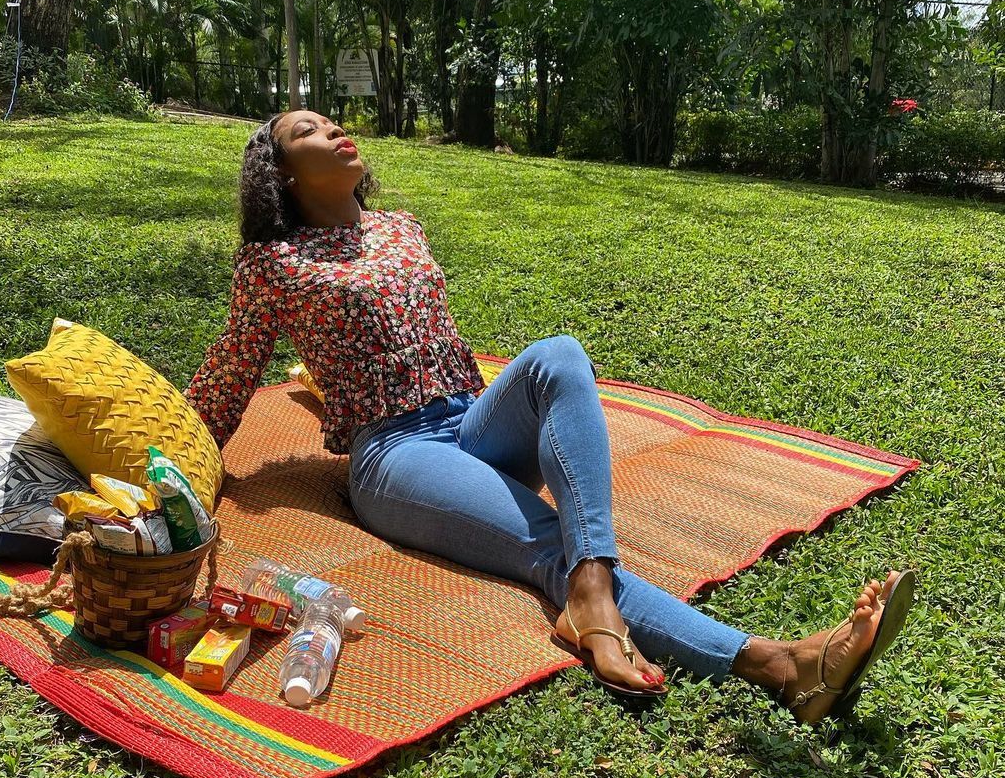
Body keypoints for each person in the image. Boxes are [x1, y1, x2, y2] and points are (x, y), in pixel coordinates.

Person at [184, 110, 916, 724]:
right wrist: (171, 468)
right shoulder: (273, 263)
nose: (334, 130)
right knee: (545, 543)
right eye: (308, 132)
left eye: (331, 121)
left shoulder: (400, 229)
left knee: (559, 353)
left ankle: (591, 584)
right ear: (282, 174)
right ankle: (778, 665)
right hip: (398, 453)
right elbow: (230, 371)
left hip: (471, 420)